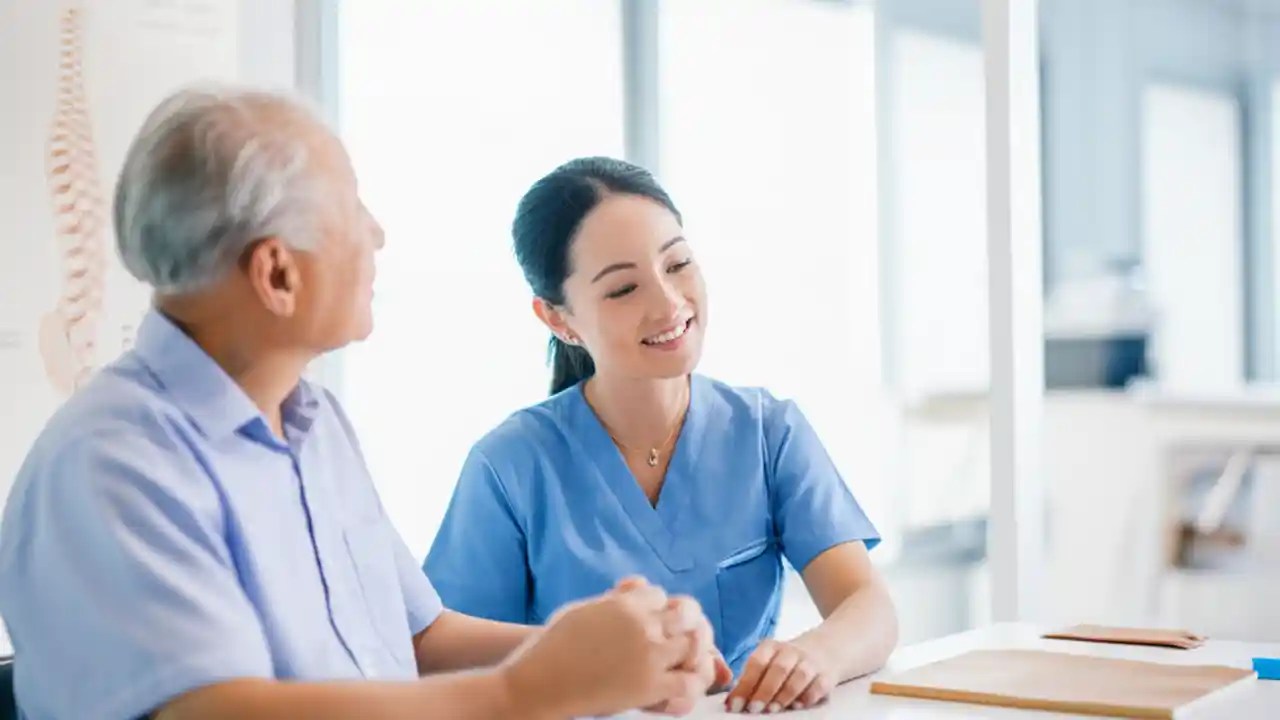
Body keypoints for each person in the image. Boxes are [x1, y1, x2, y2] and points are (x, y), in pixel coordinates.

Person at [0, 89, 726, 720]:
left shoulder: (311, 422)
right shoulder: (112, 464)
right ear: (276, 273)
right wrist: (527, 693)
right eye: (351, 211)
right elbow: (214, 711)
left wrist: (618, 654)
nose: (376, 234)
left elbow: (415, 640)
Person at [425, 157, 900, 714]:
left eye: (677, 264)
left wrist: (816, 655)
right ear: (559, 320)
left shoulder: (769, 431)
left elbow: (868, 605)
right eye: (624, 288)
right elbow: (445, 656)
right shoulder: (510, 465)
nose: (669, 303)